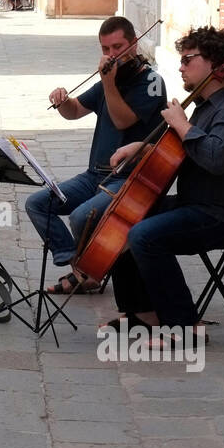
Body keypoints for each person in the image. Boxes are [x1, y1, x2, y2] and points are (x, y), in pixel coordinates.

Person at [89, 26, 224, 333]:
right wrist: (143, 147)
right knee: (122, 217)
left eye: (188, 60)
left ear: (214, 63)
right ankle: (143, 314)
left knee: (145, 235)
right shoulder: (205, 108)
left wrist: (183, 126)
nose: (181, 67)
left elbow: (216, 158)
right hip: (199, 203)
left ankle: (183, 325)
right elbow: (185, 153)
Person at [24, 17, 168, 293]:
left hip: (127, 178)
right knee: (38, 203)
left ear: (134, 44)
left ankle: (87, 274)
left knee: (81, 217)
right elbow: (76, 111)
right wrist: (62, 101)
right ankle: (78, 265)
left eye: (118, 47)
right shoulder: (107, 80)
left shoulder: (151, 82)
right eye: (105, 49)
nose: (111, 55)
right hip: (94, 175)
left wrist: (110, 83)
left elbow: (123, 121)